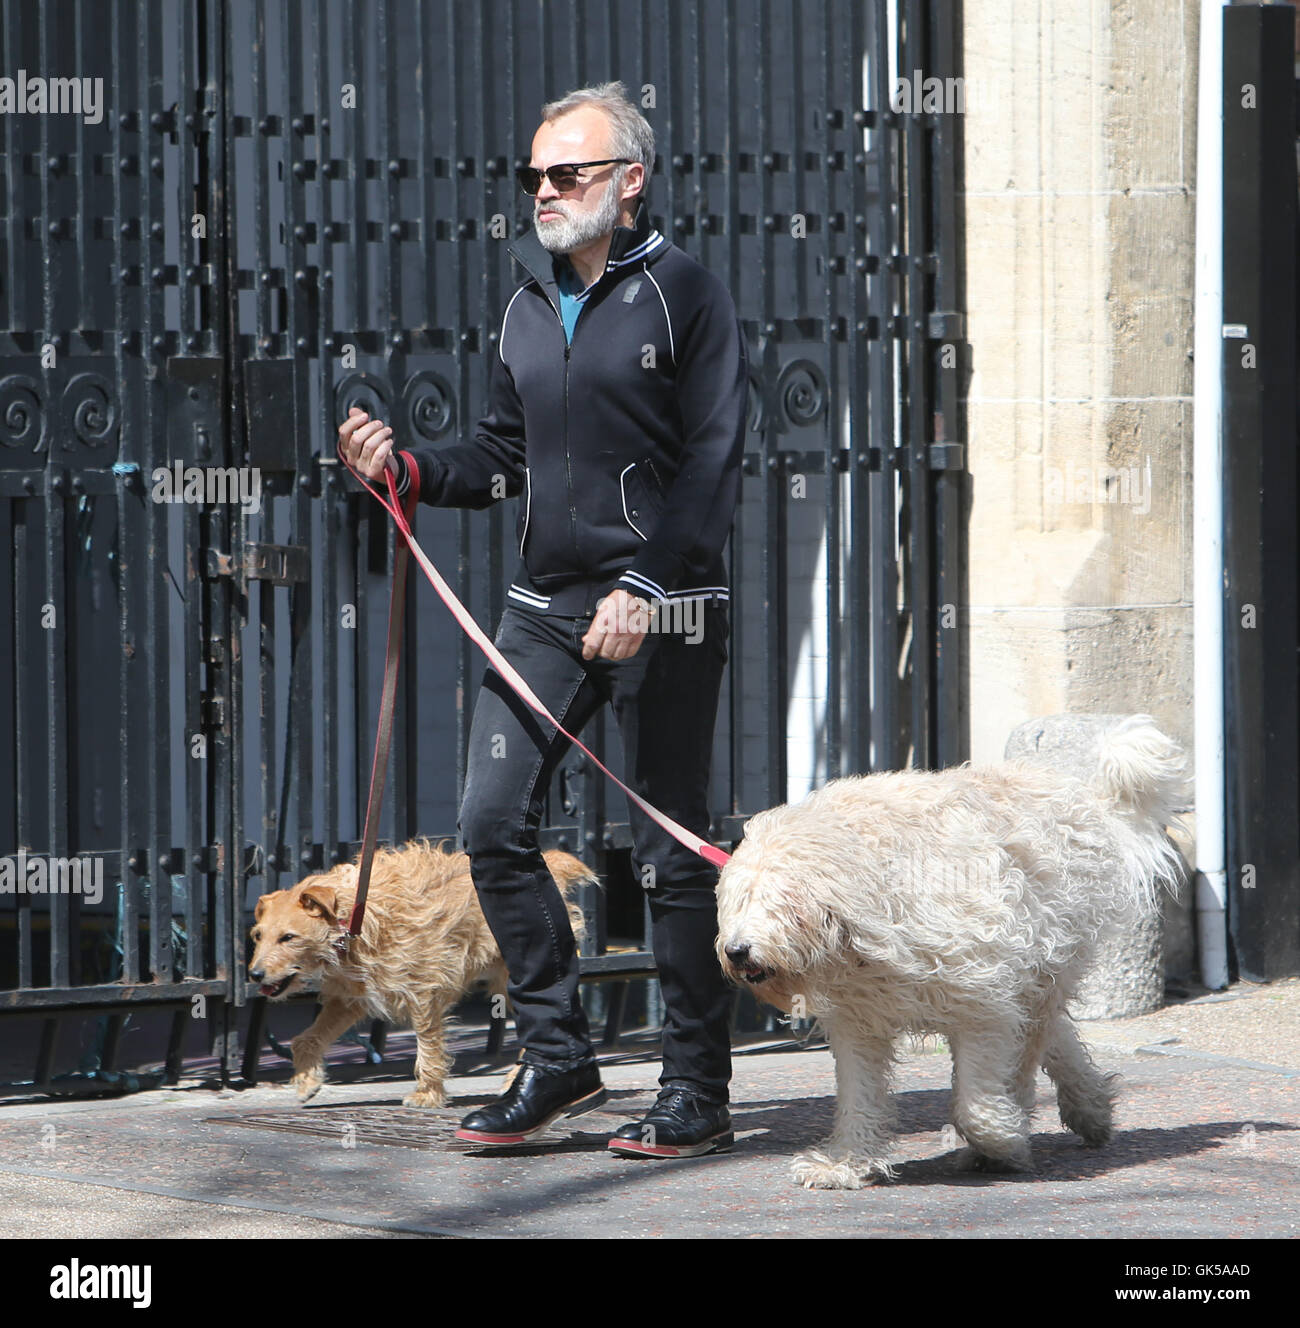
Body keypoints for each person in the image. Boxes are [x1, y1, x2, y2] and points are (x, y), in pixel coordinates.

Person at [338, 80, 747, 1159]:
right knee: (490, 822)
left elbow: (712, 463)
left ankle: (696, 1085)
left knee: (666, 855)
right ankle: (559, 1055)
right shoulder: (524, 304)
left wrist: (647, 587)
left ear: (630, 179)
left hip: (667, 612)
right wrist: (410, 467)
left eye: (568, 172)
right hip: (542, 613)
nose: (546, 191)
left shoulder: (685, 297)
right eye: (535, 176)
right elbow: (497, 456)